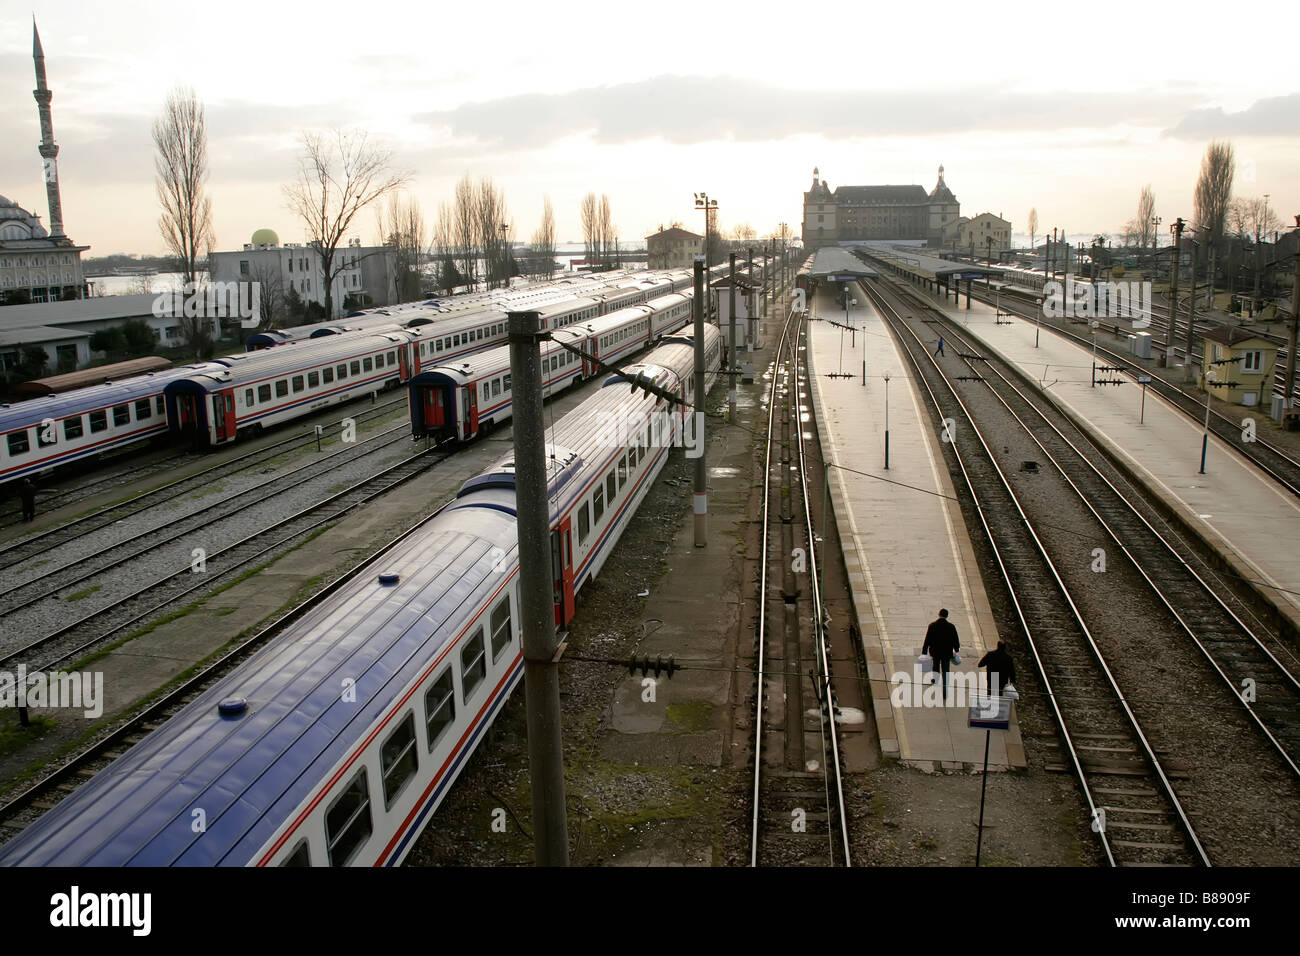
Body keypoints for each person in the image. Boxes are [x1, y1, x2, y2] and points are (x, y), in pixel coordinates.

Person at [922, 608, 960, 702]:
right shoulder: (951, 627)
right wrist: (956, 648)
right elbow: (955, 639)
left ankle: (935, 680)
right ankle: (944, 690)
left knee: (935, 666)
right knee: (946, 670)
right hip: (946, 653)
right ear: (947, 616)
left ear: (939, 614)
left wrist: (924, 651)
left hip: (935, 652)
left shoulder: (932, 625)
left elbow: (927, 640)